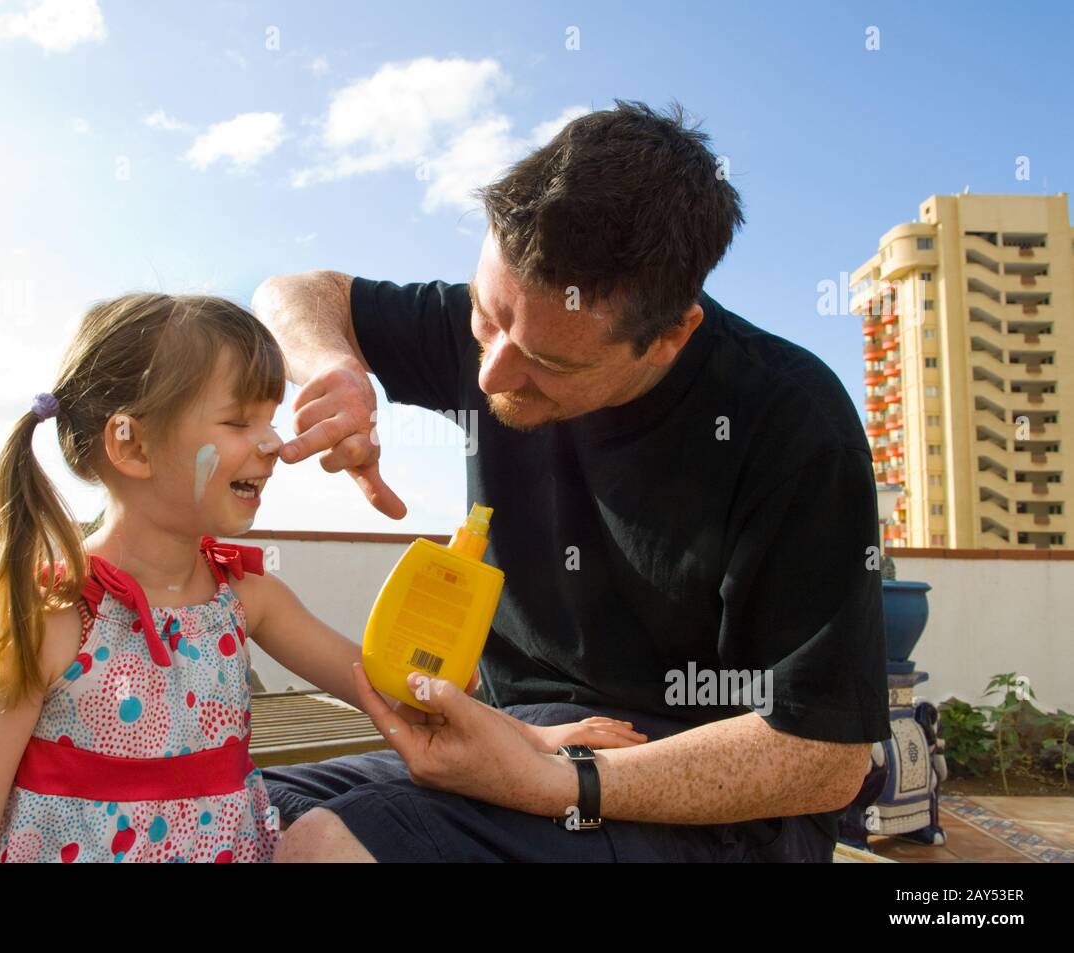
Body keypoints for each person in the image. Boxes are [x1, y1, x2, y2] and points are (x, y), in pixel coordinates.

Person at [253, 101, 893, 862]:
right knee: (245, 813)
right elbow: (294, 293)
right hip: (519, 736)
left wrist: (563, 781)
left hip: (702, 800)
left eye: (550, 365)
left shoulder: (792, 419)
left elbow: (824, 758)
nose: (492, 373)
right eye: (488, 319)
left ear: (668, 337)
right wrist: (335, 365)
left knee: (326, 848)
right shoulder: (519, 325)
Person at [0, 293, 639, 863]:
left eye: (269, 417)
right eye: (237, 421)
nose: (272, 443)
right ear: (129, 446)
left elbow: (389, 681)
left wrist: (531, 741)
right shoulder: (54, 616)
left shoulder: (246, 598)